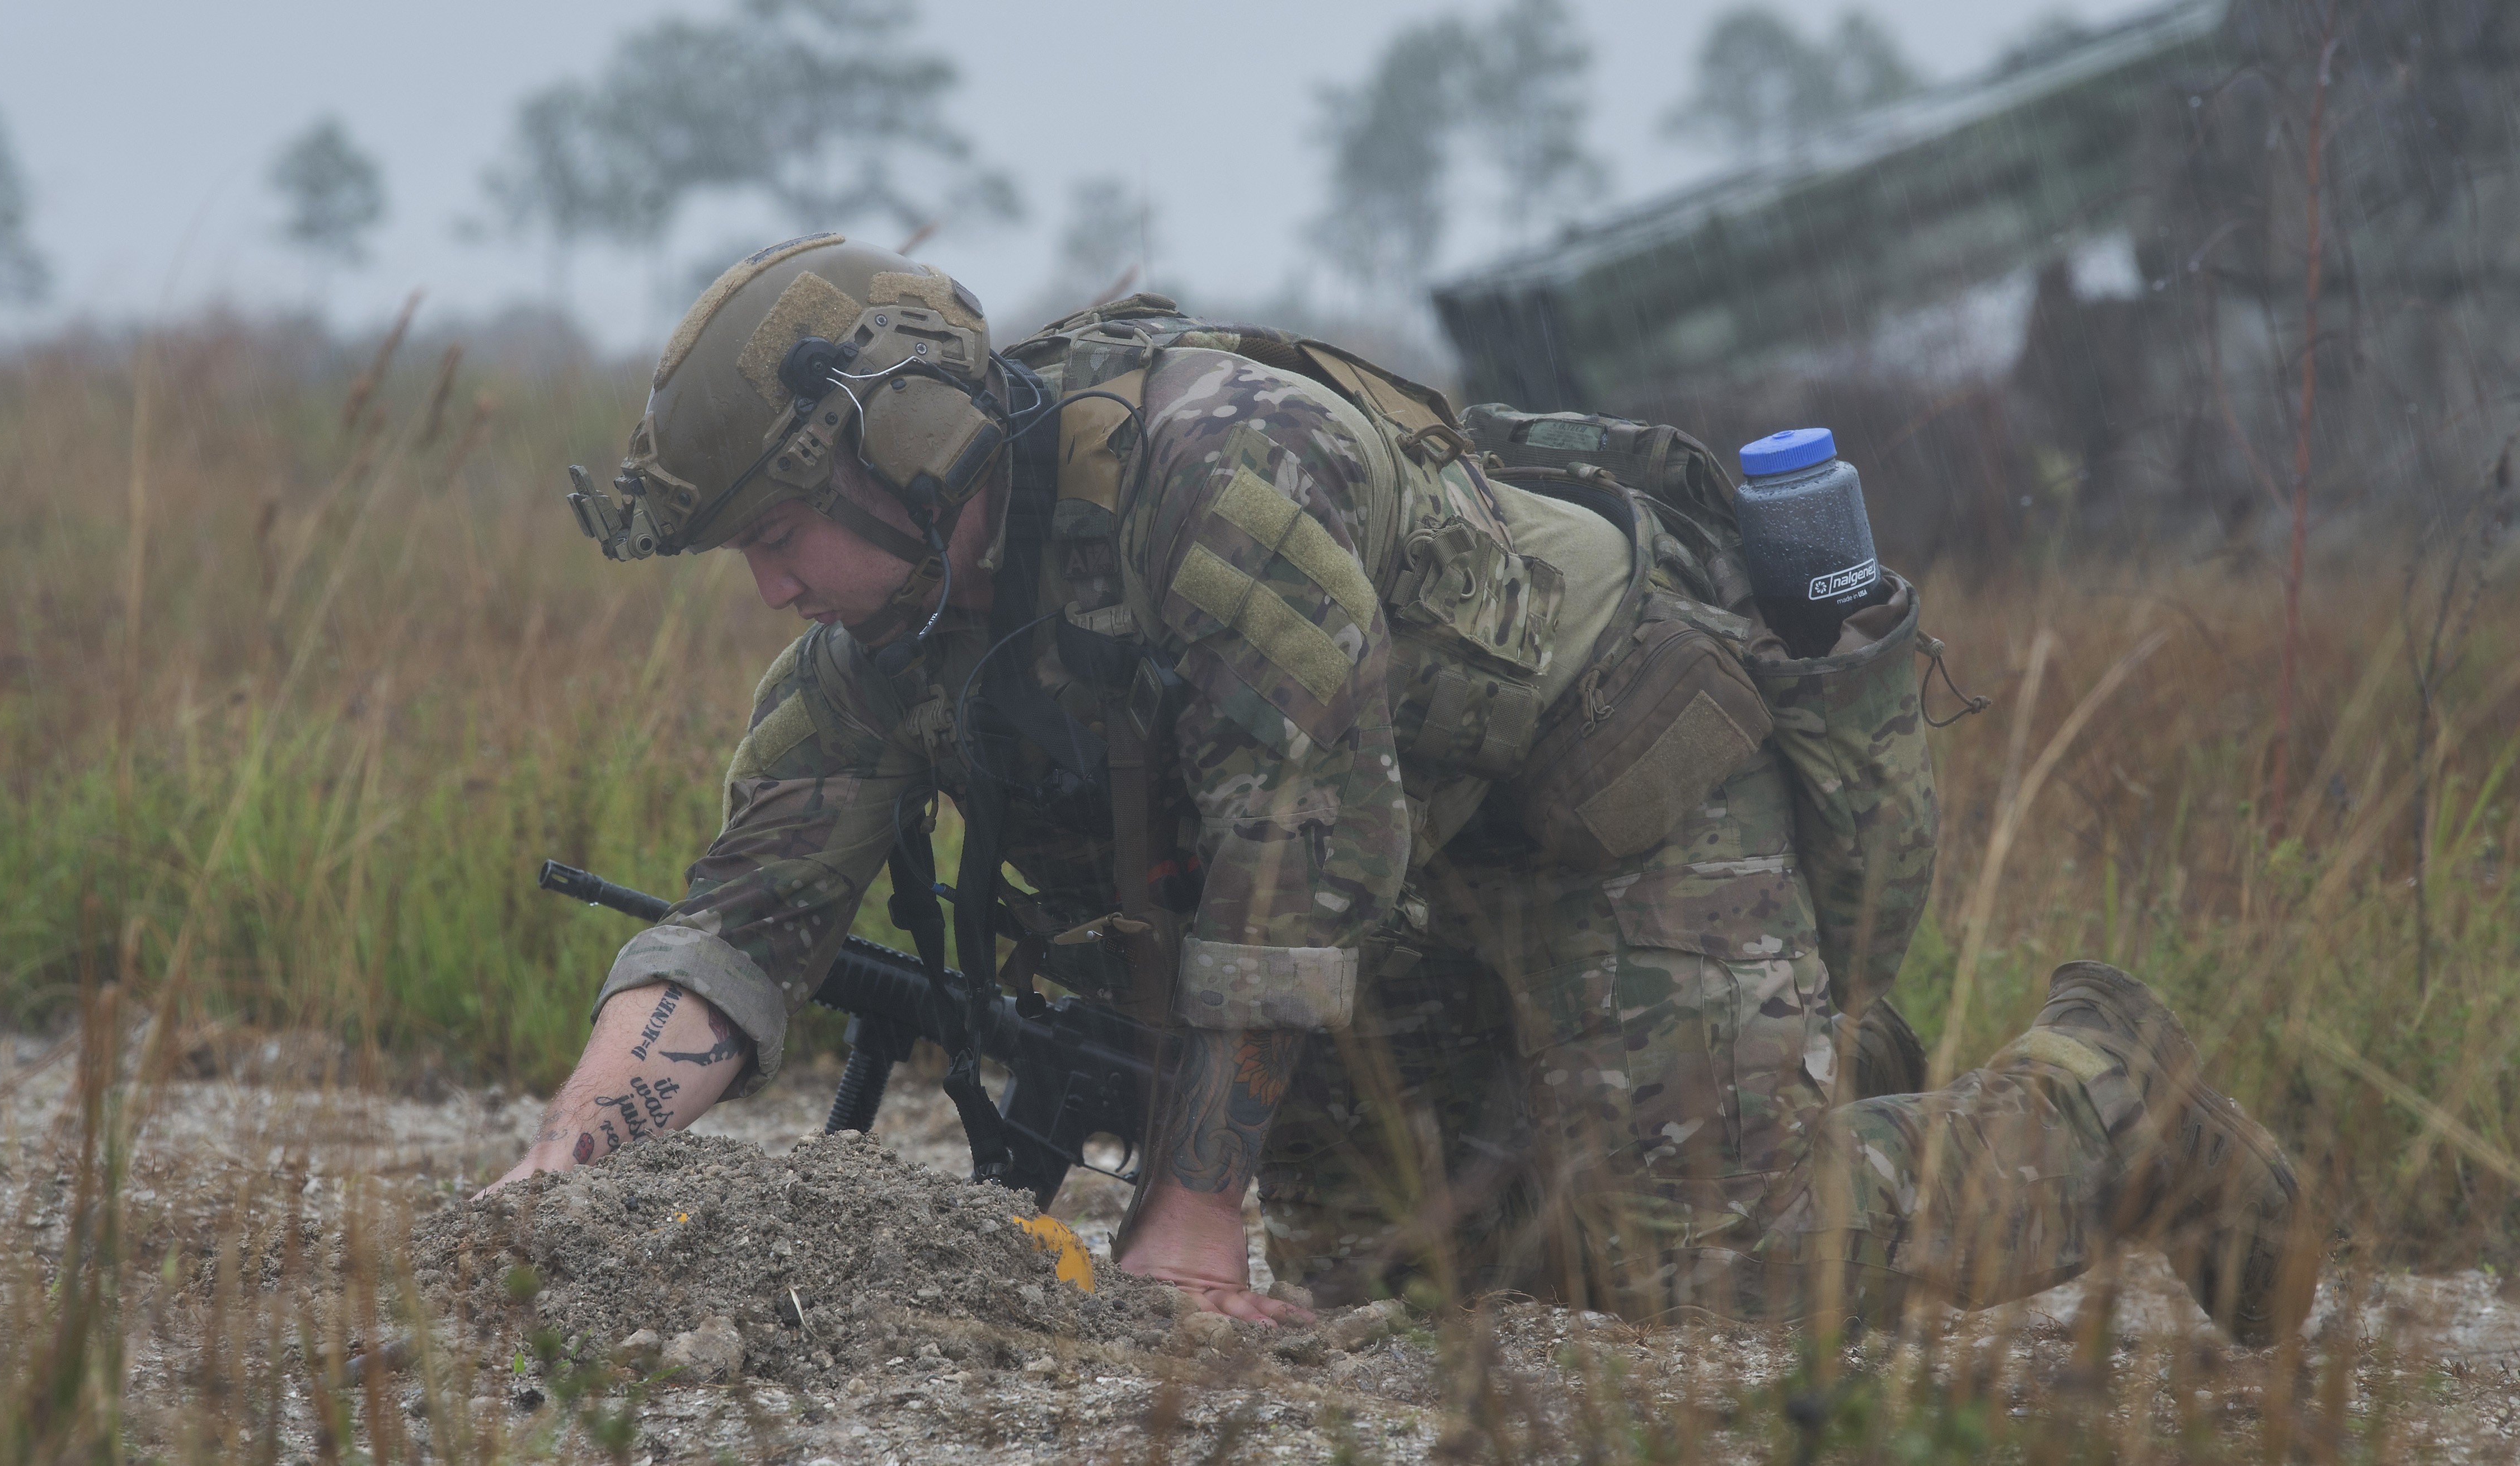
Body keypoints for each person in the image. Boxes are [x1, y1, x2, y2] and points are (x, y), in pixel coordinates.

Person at [489, 236, 2312, 1341]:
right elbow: (751, 902)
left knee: (1722, 1258)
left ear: (898, 457)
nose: (769, 585)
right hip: (1401, 889)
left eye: (780, 533)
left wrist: (1189, 1218)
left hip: (1610, 785)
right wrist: (584, 1129)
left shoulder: (1220, 469)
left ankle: (2109, 1103)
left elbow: (1302, 836)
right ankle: (1781, 1090)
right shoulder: (888, 631)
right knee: (1436, 1293)